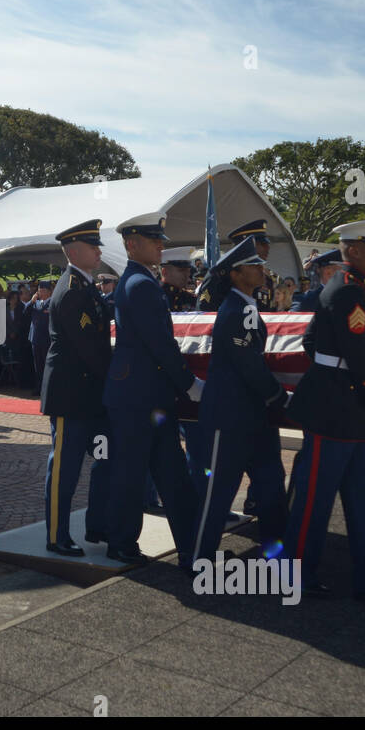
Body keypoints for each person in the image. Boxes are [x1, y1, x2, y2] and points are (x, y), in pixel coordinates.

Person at [281, 218, 365, 606]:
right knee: (315, 499)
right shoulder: (349, 294)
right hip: (338, 409)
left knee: (364, 497)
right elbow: (357, 356)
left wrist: (328, 368)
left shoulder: (343, 288)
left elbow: (309, 340)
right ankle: (297, 576)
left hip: (343, 404)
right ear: (353, 251)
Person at [103, 217, 204, 564]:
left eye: (160, 239)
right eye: (153, 240)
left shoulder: (139, 282)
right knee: (136, 474)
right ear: (132, 245)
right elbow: (160, 343)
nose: (161, 245)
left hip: (147, 395)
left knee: (169, 473)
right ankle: (123, 543)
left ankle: (192, 547)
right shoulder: (141, 285)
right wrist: (189, 383)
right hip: (139, 397)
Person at [190, 237, 289, 564]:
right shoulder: (236, 310)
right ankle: (198, 559)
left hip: (253, 418)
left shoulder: (246, 307)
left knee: (272, 487)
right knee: (217, 494)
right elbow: (249, 365)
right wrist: (280, 397)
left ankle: (276, 555)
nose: (262, 268)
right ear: (235, 273)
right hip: (229, 420)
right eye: (254, 265)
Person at [40, 220, 113, 556]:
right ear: (73, 251)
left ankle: (98, 525)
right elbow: (90, 349)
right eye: (92, 245)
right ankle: (57, 536)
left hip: (92, 397)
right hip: (71, 397)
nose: (99, 250)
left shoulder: (86, 287)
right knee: (65, 470)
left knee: (105, 458)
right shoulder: (71, 290)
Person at [197, 220, 275, 311]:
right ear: (245, 245)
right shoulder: (220, 276)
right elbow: (205, 314)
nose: (267, 248)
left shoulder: (265, 280)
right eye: (262, 244)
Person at [24, 280, 53, 395]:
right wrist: (31, 301)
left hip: (47, 338)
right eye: (39, 290)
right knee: (38, 365)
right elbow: (25, 312)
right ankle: (39, 387)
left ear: (49, 292)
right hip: (35, 338)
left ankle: (47, 388)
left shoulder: (52, 302)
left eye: (43, 290)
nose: (40, 292)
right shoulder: (35, 302)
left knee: (47, 365)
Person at [159, 247, 198, 311]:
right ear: (165, 272)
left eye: (188, 271)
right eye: (182, 270)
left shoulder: (190, 298)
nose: (187, 274)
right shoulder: (154, 296)